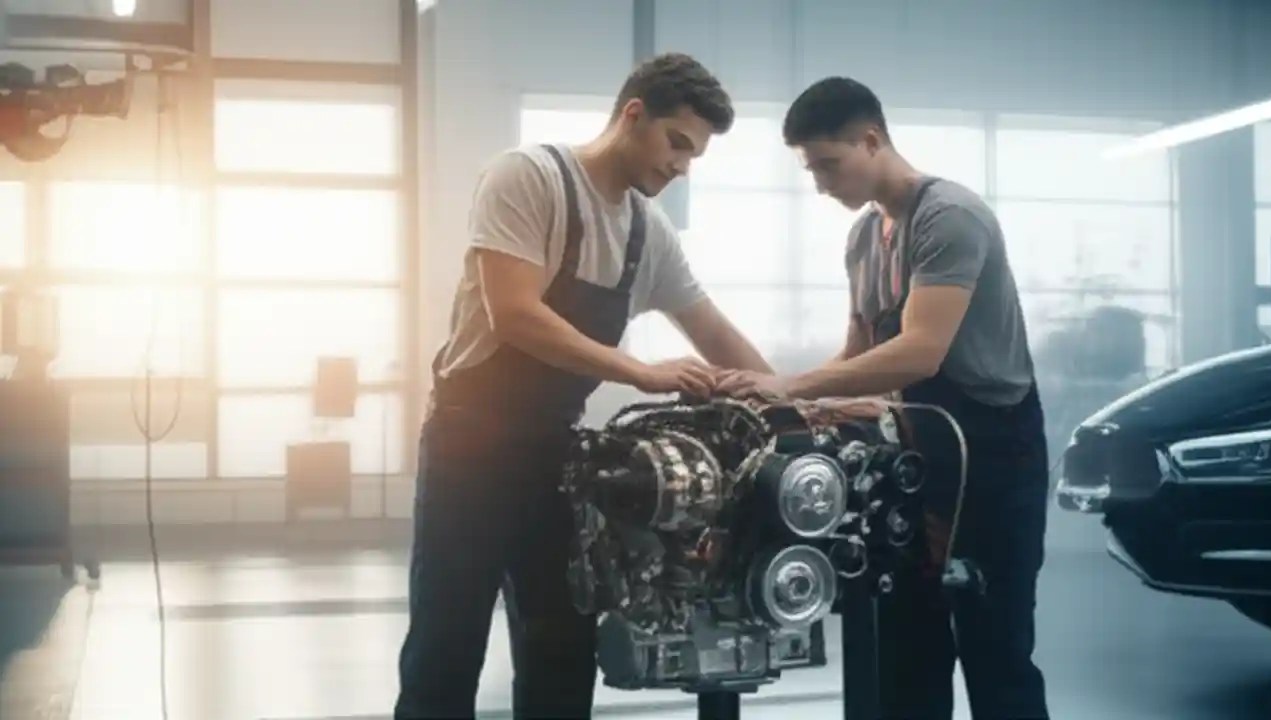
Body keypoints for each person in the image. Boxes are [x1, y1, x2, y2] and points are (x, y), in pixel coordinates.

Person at [394, 53, 773, 720]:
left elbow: (715, 334)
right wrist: (642, 372)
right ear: (632, 115)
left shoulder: (645, 232)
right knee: (446, 649)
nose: (680, 166)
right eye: (675, 143)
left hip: (560, 461)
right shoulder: (529, 177)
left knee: (562, 653)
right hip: (469, 450)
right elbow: (515, 314)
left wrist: (803, 401)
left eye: (694, 156)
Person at [719, 77, 1050, 719]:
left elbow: (920, 351)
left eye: (827, 165)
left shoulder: (949, 216)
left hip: (992, 458)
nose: (819, 183)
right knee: (903, 652)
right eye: (810, 169)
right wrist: (786, 401)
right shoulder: (864, 239)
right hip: (915, 461)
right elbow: (859, 354)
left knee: (995, 652)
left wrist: (789, 384)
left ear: (871, 141)